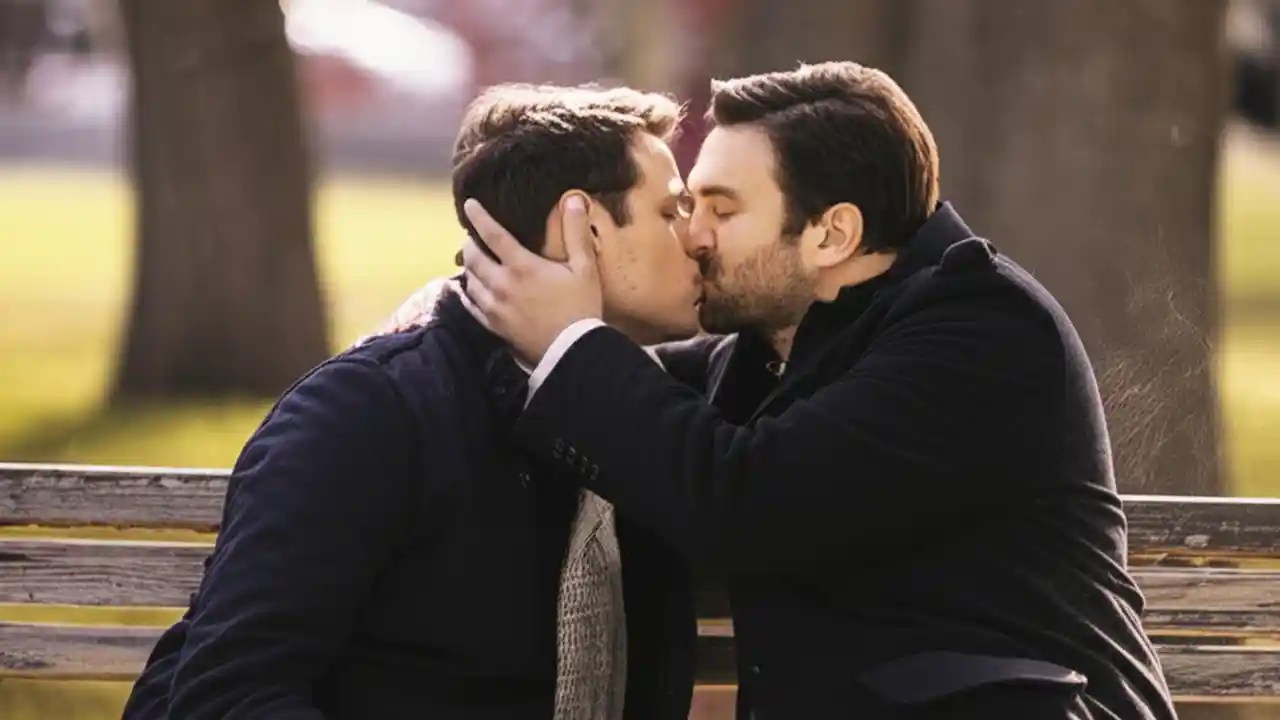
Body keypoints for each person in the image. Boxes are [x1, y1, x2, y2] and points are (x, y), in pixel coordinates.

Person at [460, 62, 1178, 719]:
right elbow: (634, 394)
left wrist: (570, 338)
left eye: (722, 209)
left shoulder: (983, 333)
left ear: (832, 234)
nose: (693, 236)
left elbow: (745, 501)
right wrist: (480, 315)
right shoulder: (776, 346)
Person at [122, 83, 702, 720]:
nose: (698, 238)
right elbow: (227, 696)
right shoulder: (368, 412)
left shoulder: (645, 412)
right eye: (672, 212)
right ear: (583, 228)